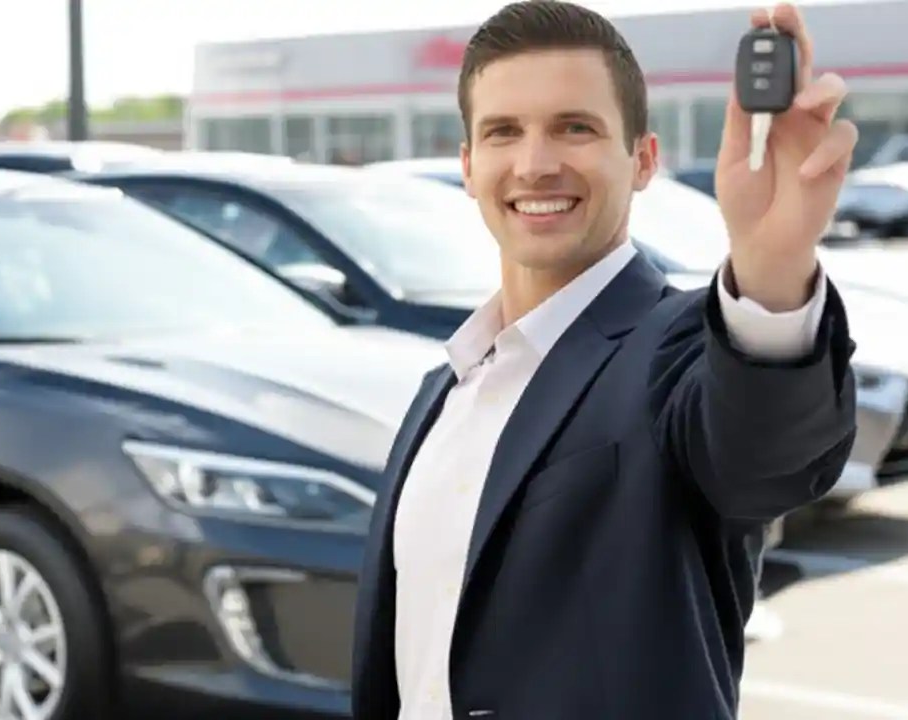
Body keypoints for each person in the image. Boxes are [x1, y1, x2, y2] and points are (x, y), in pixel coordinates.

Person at [350, 2, 859, 719]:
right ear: (467, 166)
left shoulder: (676, 348)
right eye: (503, 132)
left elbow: (764, 457)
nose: (535, 165)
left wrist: (772, 264)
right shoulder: (446, 388)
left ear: (643, 160)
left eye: (575, 128)